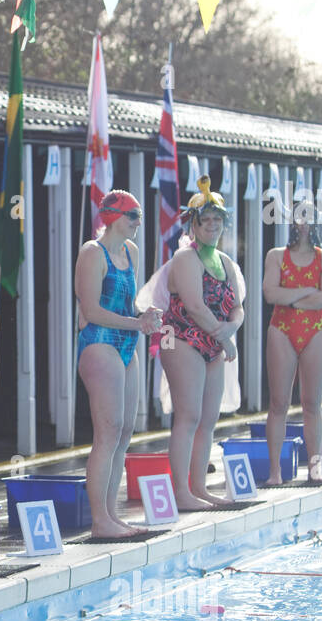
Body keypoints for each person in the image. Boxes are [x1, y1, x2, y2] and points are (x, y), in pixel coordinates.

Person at [74, 190, 162, 537]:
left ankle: (112, 515)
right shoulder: (92, 253)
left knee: (125, 431)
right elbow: (91, 310)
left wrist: (144, 315)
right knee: (107, 432)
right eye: (133, 216)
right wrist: (136, 324)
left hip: (127, 344)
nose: (139, 222)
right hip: (98, 344)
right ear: (113, 216)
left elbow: (128, 306)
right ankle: (100, 521)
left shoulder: (131, 252)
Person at [160, 176, 244, 510]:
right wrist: (226, 336)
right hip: (180, 338)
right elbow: (194, 306)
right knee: (188, 415)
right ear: (193, 225)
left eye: (217, 220)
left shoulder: (224, 262)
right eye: (205, 220)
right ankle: (180, 491)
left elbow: (237, 306)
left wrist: (230, 330)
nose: (212, 226)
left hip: (213, 342)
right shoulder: (185, 258)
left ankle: (199, 487)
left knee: (208, 419)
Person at [263, 203, 322, 483]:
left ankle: (315, 468)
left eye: (309, 219)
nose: (303, 224)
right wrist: (307, 291)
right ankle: (274, 472)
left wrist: (290, 296)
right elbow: (270, 294)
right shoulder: (276, 256)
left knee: (312, 404)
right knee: (278, 403)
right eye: (299, 218)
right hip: (282, 328)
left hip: (316, 328)